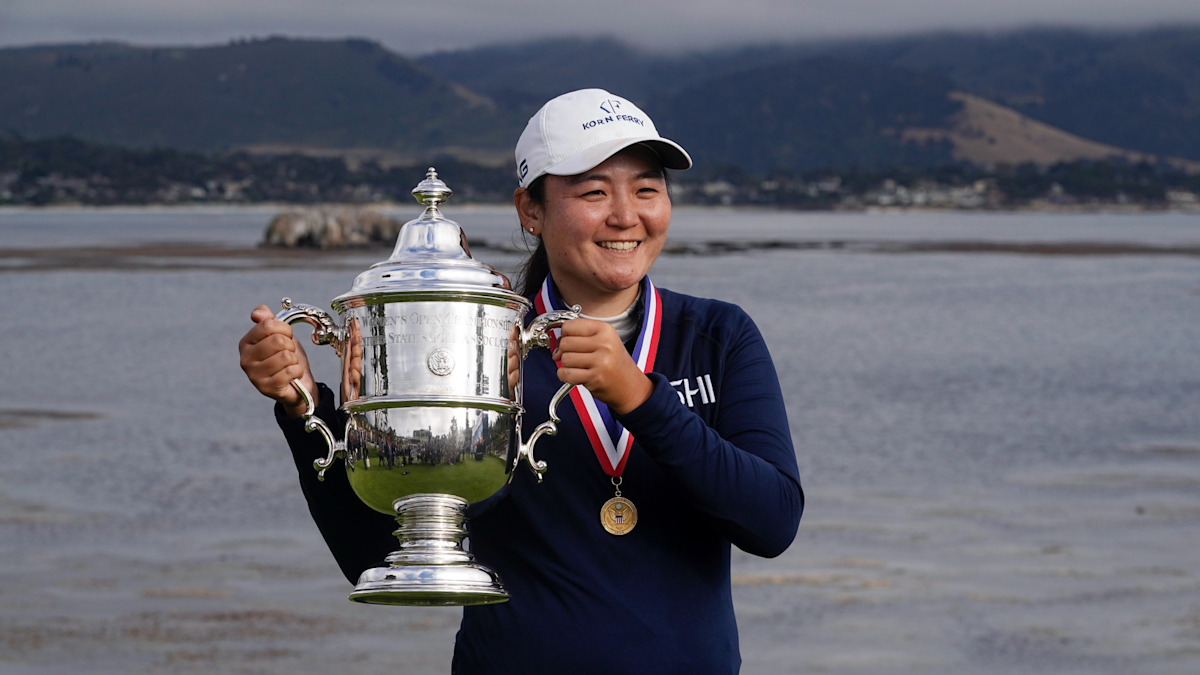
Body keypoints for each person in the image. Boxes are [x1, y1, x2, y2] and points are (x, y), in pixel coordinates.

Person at [238, 88, 803, 674]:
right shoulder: (477, 342)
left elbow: (771, 522)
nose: (625, 214)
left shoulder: (717, 334)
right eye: (593, 191)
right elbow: (374, 554)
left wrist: (639, 397)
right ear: (530, 211)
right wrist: (304, 408)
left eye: (646, 188)